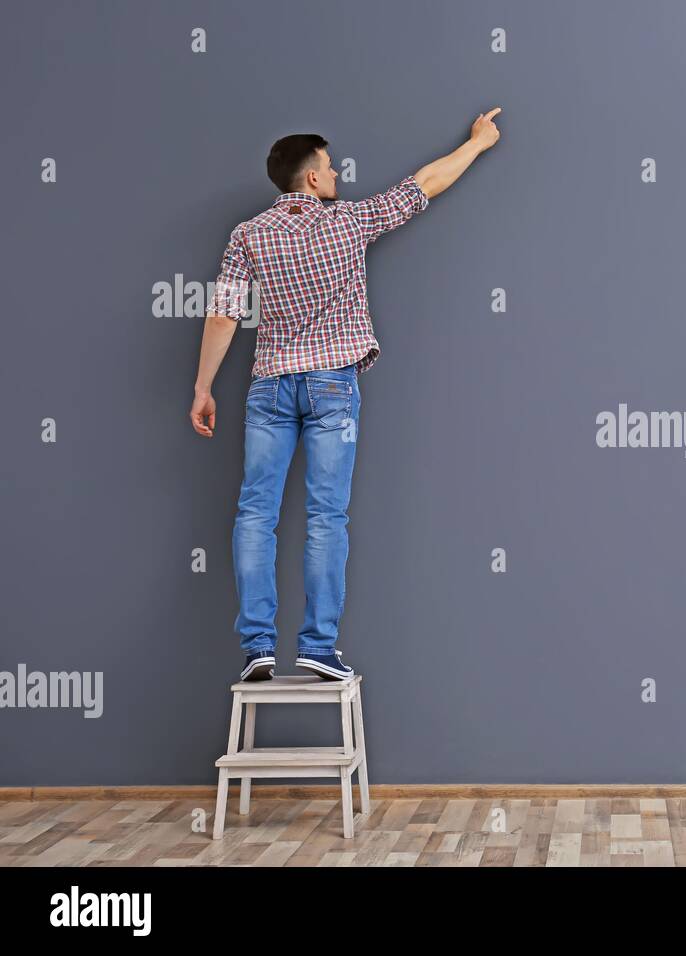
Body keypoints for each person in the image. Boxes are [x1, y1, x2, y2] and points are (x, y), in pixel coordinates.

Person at [189, 110, 502, 682]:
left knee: (255, 513)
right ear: (310, 177)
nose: (336, 174)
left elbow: (222, 316)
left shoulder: (247, 236)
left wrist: (204, 388)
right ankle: (318, 646)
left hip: (269, 388)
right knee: (326, 517)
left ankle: (258, 646)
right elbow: (424, 185)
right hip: (333, 384)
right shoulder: (348, 222)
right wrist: (477, 145)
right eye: (330, 166)